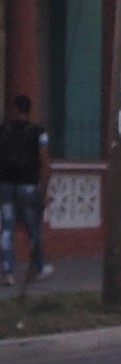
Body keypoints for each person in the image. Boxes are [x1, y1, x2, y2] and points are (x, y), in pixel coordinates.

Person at [0, 94, 52, 287]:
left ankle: (8, 272)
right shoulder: (39, 132)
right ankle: (40, 266)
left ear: (14, 109)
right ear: (29, 110)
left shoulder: (3, 129)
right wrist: (44, 189)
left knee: (6, 229)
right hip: (29, 186)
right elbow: (44, 161)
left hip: (6, 185)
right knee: (33, 228)